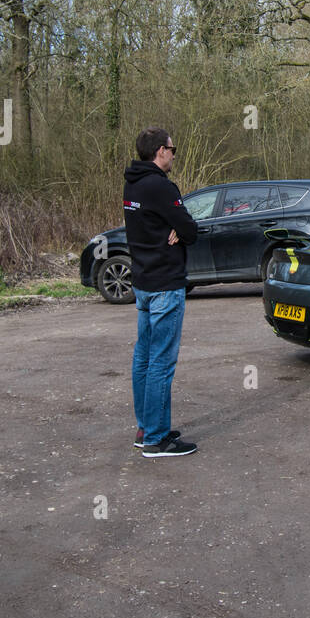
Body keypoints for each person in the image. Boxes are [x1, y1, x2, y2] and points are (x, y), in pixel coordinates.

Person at [123, 127, 199, 457]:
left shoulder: (132, 184)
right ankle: (157, 438)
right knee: (161, 363)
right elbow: (191, 230)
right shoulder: (162, 187)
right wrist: (179, 231)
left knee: (143, 358)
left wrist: (175, 229)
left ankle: (145, 427)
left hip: (142, 282)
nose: (173, 154)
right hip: (165, 284)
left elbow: (167, 226)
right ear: (159, 151)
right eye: (172, 149)